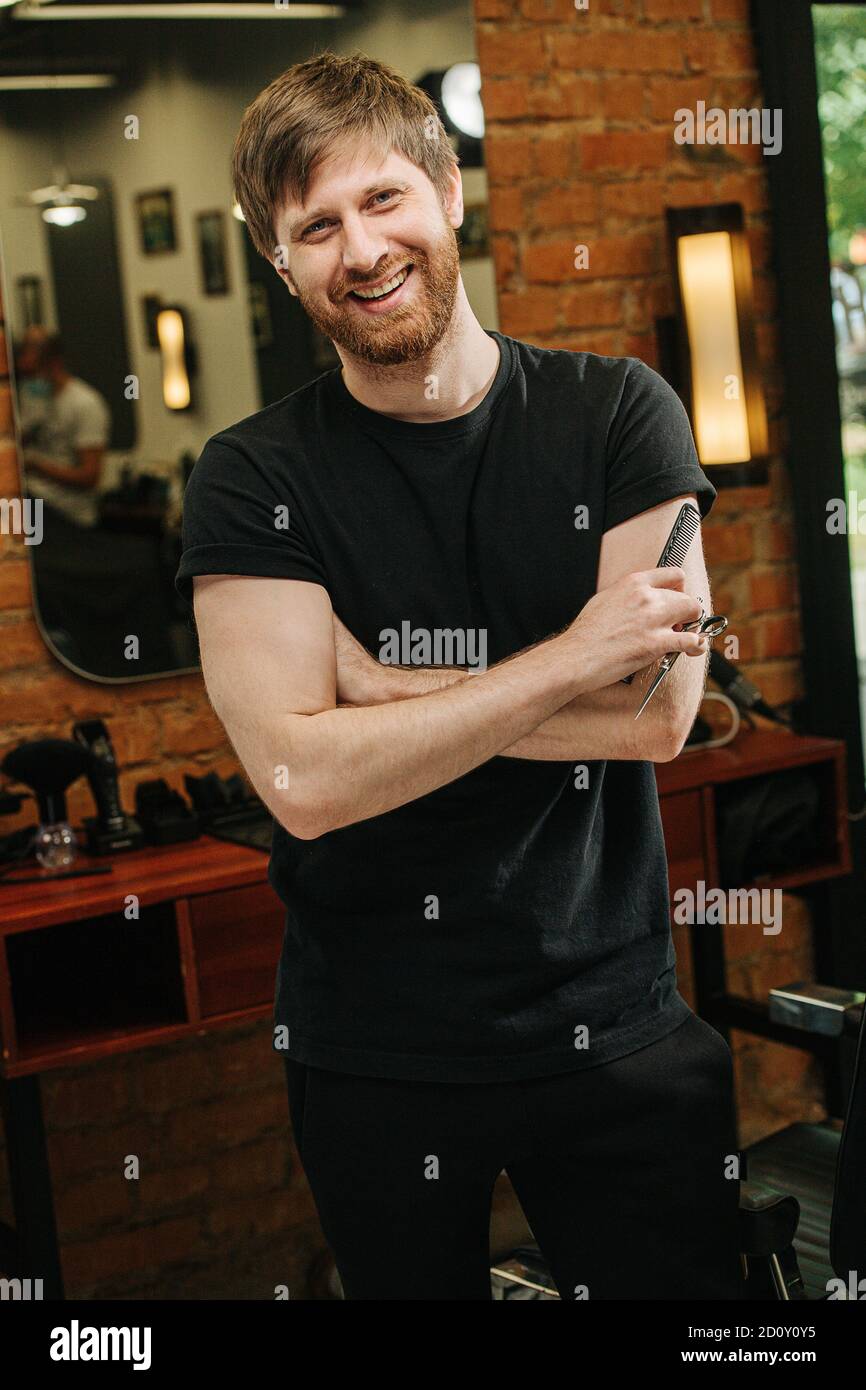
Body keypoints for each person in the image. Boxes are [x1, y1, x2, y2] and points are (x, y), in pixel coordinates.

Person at [175, 51, 743, 1301]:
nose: (358, 250)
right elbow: (301, 784)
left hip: (617, 1019)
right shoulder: (252, 478)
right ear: (281, 264)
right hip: (377, 1050)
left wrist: (377, 701)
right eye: (313, 226)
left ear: (447, 192)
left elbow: (655, 720)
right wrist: (575, 660)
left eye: (382, 200)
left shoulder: (616, 416)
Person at [15, 326, 109, 529]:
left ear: (53, 363)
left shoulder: (85, 403)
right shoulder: (32, 398)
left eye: (35, 371)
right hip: (30, 504)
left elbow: (90, 476)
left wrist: (34, 465)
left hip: (65, 514)